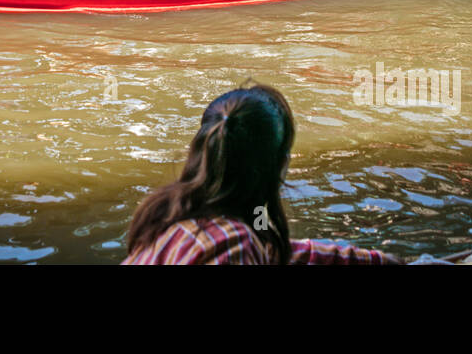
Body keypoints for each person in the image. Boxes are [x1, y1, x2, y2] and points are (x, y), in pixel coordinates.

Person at [124, 85, 400, 265]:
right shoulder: (233, 244)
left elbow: (277, 253)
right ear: (278, 164)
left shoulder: (167, 219)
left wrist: (381, 261)